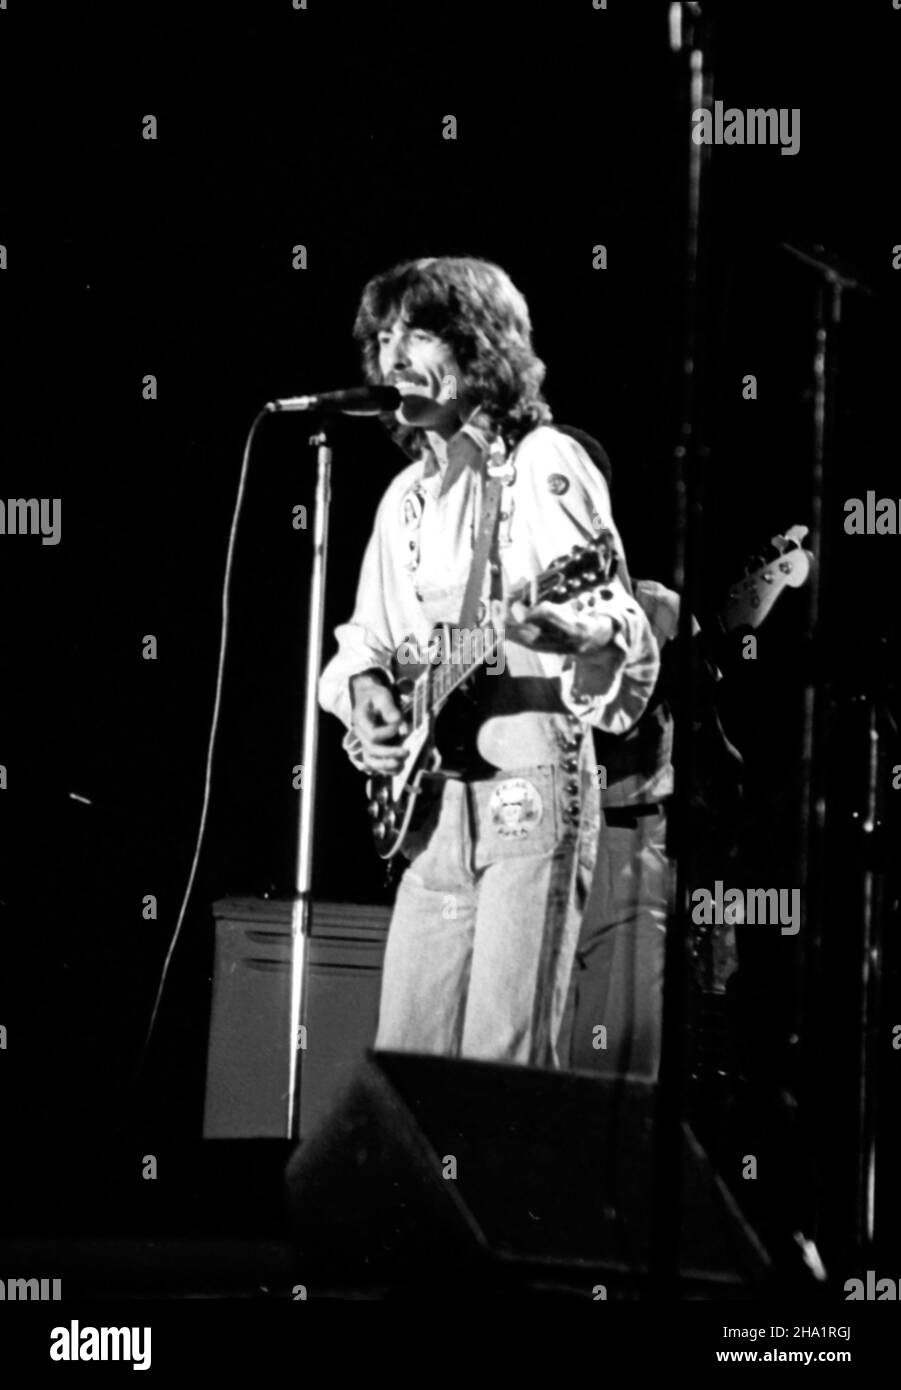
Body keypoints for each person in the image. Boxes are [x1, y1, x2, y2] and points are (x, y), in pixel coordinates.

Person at [319, 255, 659, 1068]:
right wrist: (366, 694)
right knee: (406, 1062)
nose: (395, 356)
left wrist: (567, 635)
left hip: (529, 788)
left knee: (502, 1069)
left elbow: (610, 607)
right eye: (385, 339)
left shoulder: (543, 460)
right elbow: (363, 642)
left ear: (479, 351)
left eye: (421, 334)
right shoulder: (402, 499)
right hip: (434, 805)